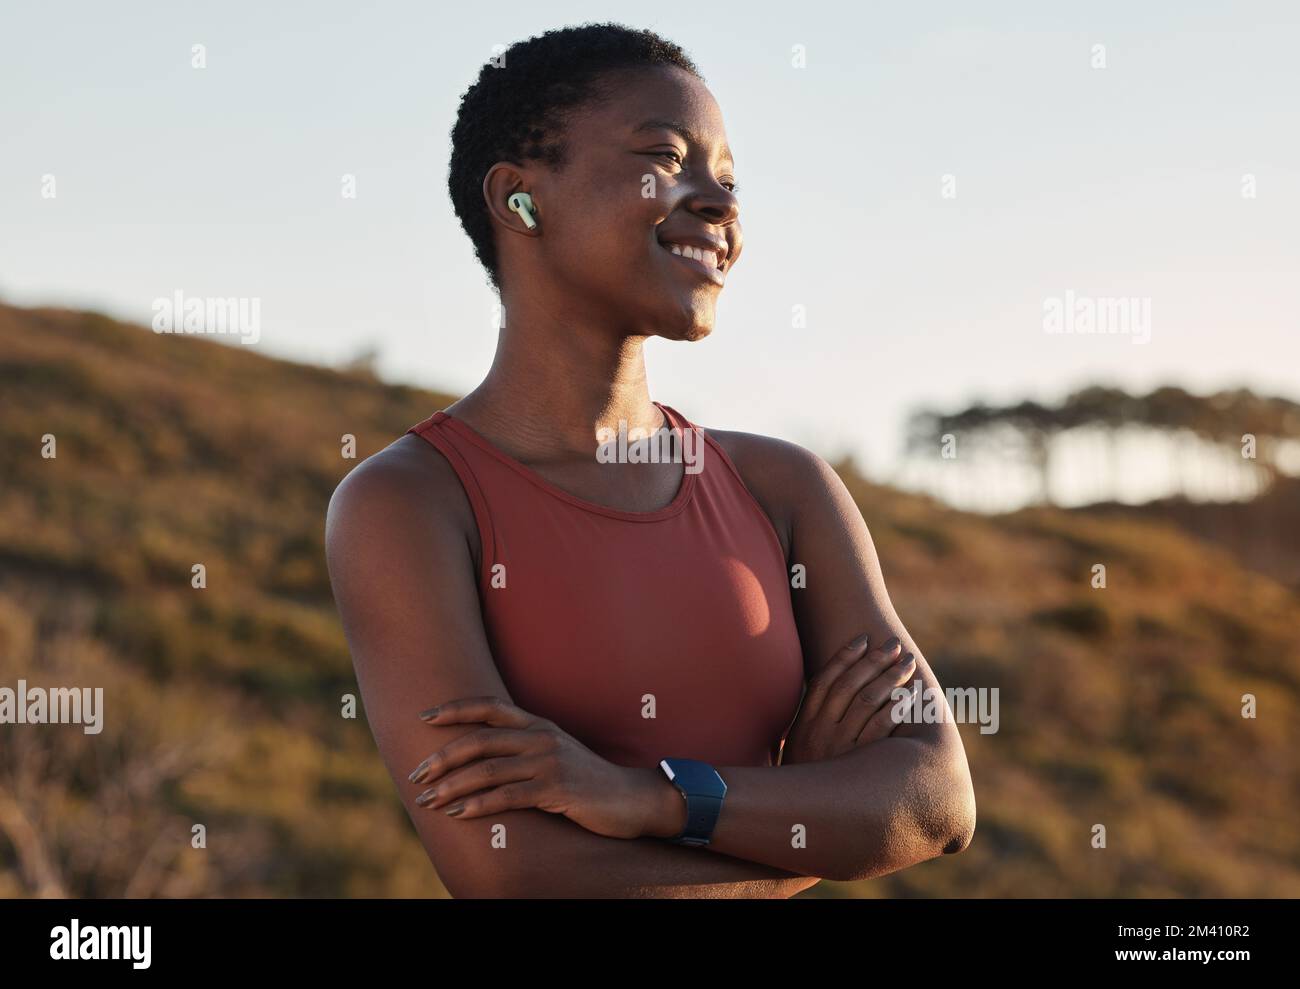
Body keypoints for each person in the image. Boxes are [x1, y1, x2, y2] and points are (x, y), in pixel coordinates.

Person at [325, 22, 975, 898]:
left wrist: (650, 799)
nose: (719, 202)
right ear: (520, 199)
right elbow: (511, 875)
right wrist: (801, 827)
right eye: (667, 159)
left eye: (729, 178)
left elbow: (936, 804)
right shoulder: (410, 503)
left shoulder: (784, 489)